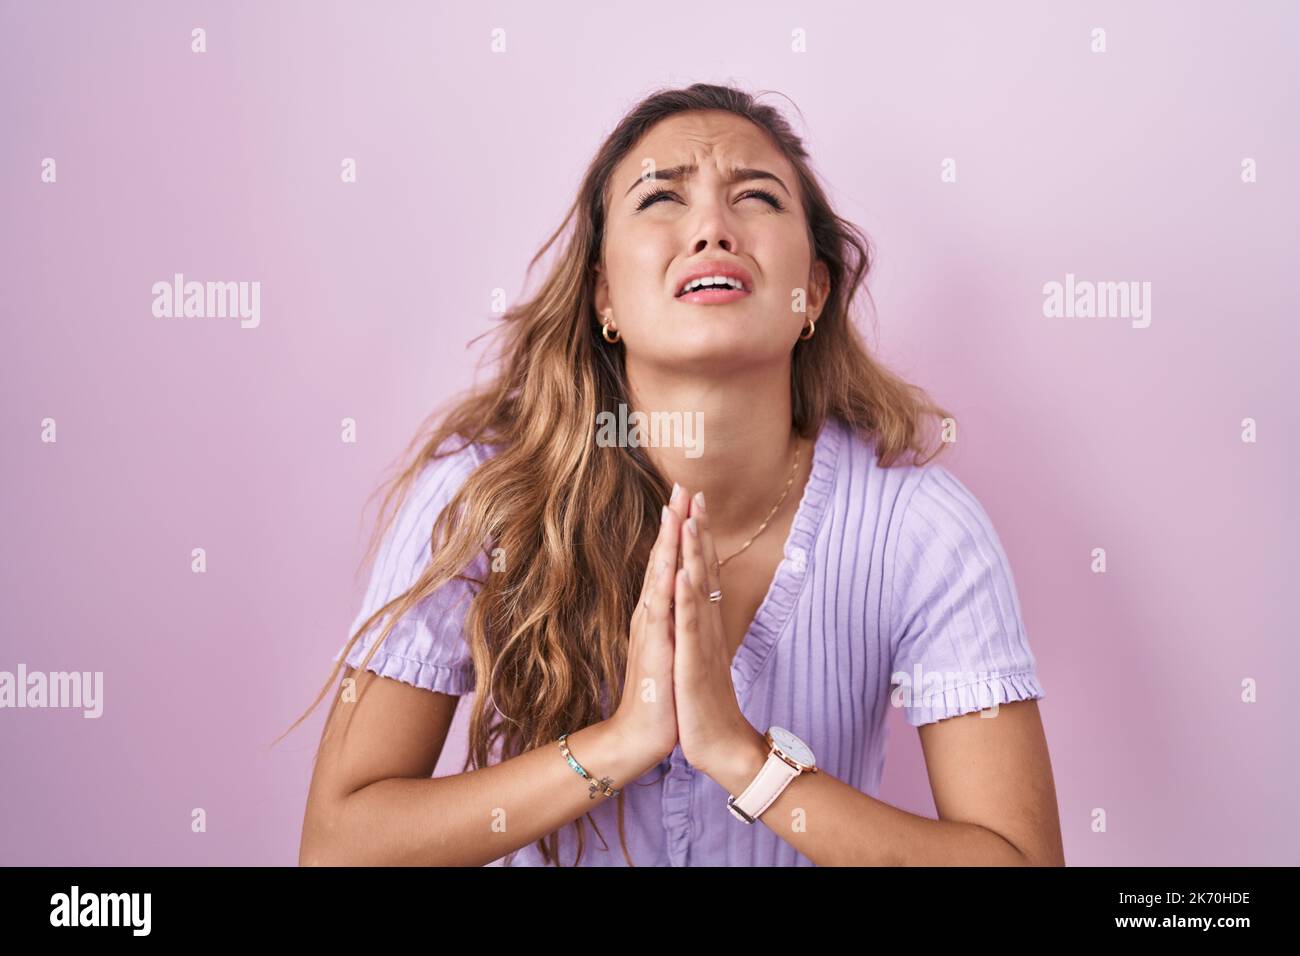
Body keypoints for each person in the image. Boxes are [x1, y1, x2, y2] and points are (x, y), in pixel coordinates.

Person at [287, 82, 1064, 867]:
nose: (712, 230)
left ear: (814, 294)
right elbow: (339, 848)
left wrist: (744, 759)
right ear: (603, 297)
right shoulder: (481, 501)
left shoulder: (922, 530)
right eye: (661, 197)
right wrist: (621, 742)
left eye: (756, 197)